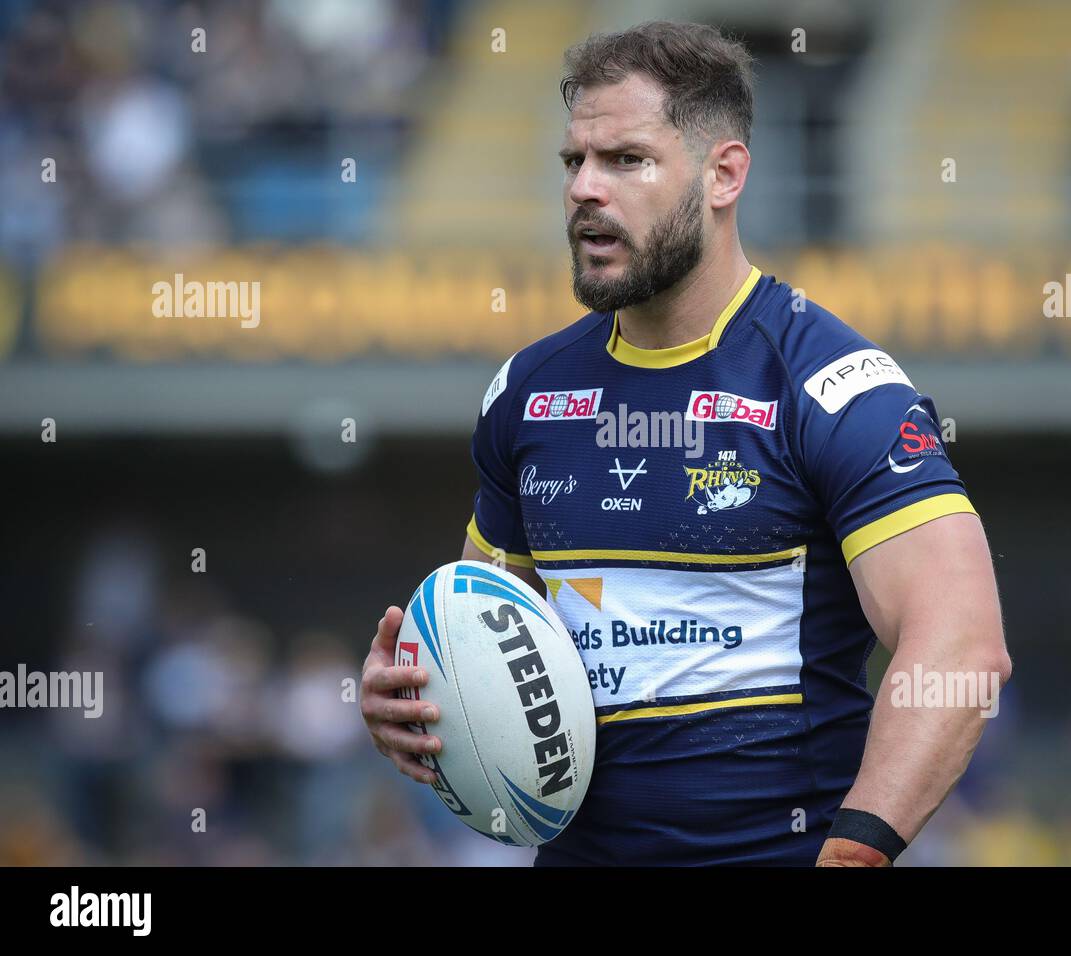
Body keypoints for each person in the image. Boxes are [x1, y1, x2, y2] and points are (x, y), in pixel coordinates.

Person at [361, 20, 1010, 866]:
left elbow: (960, 642)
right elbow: (492, 635)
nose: (585, 189)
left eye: (626, 161)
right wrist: (416, 700)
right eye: (574, 163)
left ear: (724, 175)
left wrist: (857, 849)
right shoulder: (526, 393)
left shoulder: (832, 385)